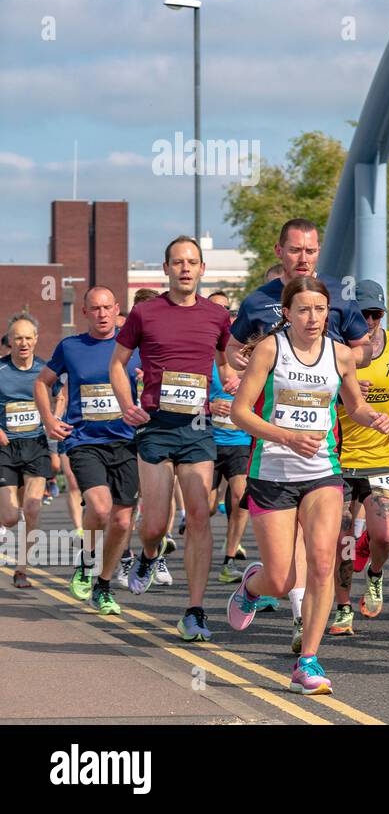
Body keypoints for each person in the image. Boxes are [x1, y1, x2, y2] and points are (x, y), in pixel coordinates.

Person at [225, 275, 389, 696]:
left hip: (323, 470)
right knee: (281, 581)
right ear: (287, 313)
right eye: (303, 309)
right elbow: (241, 414)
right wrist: (285, 437)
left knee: (321, 564)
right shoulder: (269, 349)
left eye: (320, 309)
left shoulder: (340, 354)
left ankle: (308, 661)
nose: (313, 317)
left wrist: (378, 418)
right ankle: (252, 586)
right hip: (273, 472)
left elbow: (353, 405)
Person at [110, 236, 232, 641]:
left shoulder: (217, 315)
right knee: (155, 524)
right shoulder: (145, 313)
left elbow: (227, 363)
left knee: (200, 514)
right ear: (165, 269)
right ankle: (148, 555)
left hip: (197, 430)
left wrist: (231, 388)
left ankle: (195, 610)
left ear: (201, 269)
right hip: (156, 426)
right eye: (177, 262)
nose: (185, 268)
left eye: (192, 262)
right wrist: (127, 404)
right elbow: (118, 363)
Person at [35, 287, 139, 613]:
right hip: (84, 441)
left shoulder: (133, 347)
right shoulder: (71, 346)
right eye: (95, 308)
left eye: (108, 307)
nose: (102, 313)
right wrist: (49, 418)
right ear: (85, 313)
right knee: (101, 507)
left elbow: (153, 381)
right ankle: (86, 561)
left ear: (117, 309)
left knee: (123, 523)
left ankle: (103, 585)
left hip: (126, 441)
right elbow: (42, 383)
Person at [331, 280, 389, 633]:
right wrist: (342, 391)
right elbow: (313, 392)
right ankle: (343, 606)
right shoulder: (336, 349)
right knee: (344, 537)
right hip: (339, 454)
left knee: (383, 535)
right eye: (361, 315)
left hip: (381, 453)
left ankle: (376, 574)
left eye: (375, 314)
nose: (368, 322)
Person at [225, 219, 372, 372]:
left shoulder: (340, 293)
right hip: (275, 394)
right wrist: (238, 358)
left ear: (318, 251)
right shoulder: (257, 300)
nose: (303, 259)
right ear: (278, 250)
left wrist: (327, 360)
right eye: (295, 250)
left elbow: (365, 350)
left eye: (310, 251)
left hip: (329, 394)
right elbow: (233, 347)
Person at [0, 313, 59, 588]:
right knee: (11, 517)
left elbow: (63, 394)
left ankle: (21, 569)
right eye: (18, 338)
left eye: (28, 337)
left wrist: (55, 421)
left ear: (35, 340)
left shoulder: (45, 370)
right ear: (9, 342)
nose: (23, 342)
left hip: (36, 445)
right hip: (6, 447)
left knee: (32, 507)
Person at [206, 290, 252, 585]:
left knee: (240, 498)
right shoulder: (200, 353)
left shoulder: (245, 354)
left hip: (239, 441)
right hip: (207, 439)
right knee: (206, 507)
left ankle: (229, 558)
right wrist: (210, 405)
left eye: (227, 310)